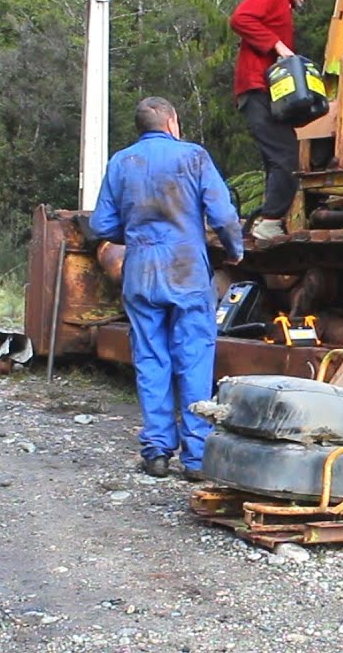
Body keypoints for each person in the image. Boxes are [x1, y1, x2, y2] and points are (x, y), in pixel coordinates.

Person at [90, 97, 244, 480]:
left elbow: (101, 225)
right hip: (187, 272)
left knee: (151, 359)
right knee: (193, 358)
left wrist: (137, 232)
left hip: (140, 272)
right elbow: (223, 213)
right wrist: (235, 249)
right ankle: (196, 458)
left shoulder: (121, 162)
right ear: (172, 122)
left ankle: (157, 452)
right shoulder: (193, 156)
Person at [230, 0, 325, 241]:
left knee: (275, 159)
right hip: (256, 87)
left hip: (264, 90)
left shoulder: (283, 6)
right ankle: (269, 222)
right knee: (286, 156)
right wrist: (277, 46)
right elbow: (240, 18)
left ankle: (266, 219)